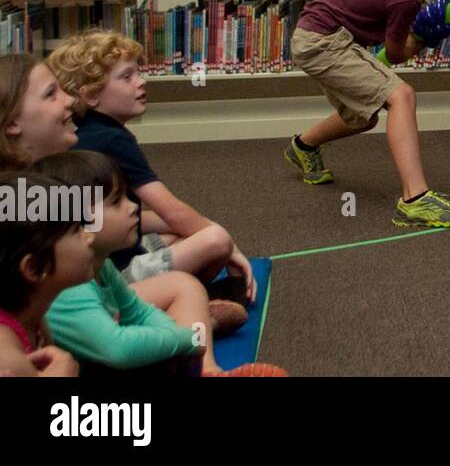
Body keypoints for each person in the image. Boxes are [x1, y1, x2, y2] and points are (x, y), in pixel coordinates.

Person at [47, 31, 254, 330]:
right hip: (113, 271)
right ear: (91, 95)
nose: (141, 82)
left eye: (139, 73)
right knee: (214, 239)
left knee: (183, 234)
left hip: (105, 257)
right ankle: (181, 305)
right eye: (127, 77)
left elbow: (146, 217)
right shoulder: (112, 139)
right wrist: (231, 248)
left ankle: (181, 299)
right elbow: (171, 209)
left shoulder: (88, 133)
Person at [288, 0, 450, 228]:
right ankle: (415, 199)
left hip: (321, 37)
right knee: (401, 96)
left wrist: (420, 33)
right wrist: (423, 37)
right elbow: (394, 54)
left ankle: (303, 146)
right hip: (323, 42)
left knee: (362, 116)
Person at [37, 151, 285, 376]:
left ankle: (206, 367)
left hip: (106, 354)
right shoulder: (71, 287)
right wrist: (186, 339)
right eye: (116, 202)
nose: (133, 207)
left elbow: (138, 311)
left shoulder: (101, 266)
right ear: (76, 224)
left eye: (126, 197)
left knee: (176, 306)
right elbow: (118, 348)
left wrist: (177, 336)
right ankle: (203, 331)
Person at [0, 172, 93, 376]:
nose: (89, 237)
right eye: (77, 230)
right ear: (34, 267)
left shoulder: (33, 317)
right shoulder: (9, 360)